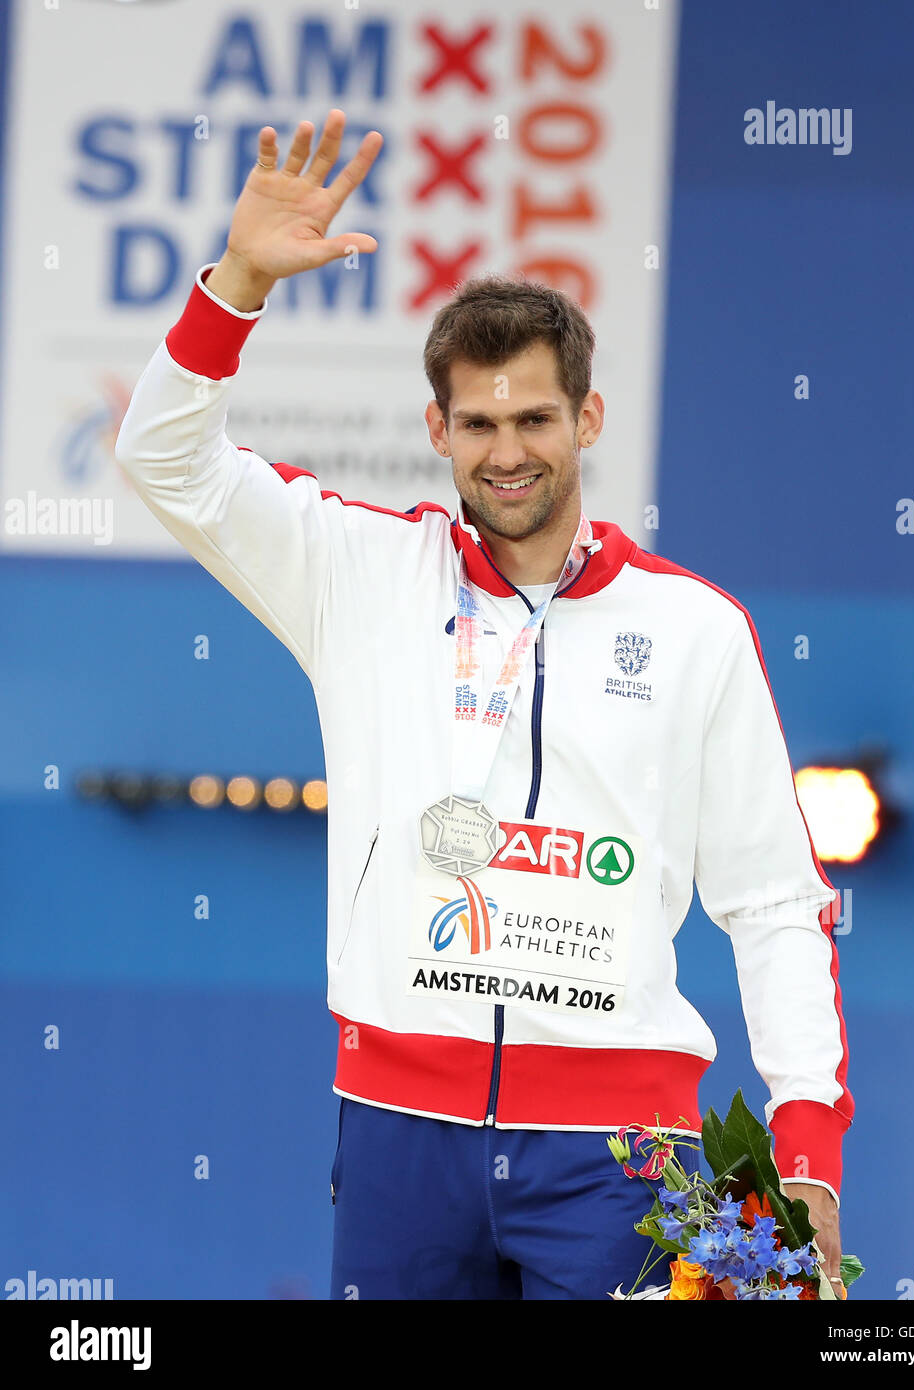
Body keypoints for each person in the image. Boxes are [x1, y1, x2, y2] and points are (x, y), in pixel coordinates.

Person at [115, 109, 853, 1301]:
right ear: (438, 430)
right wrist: (240, 278)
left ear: (587, 421)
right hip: (401, 1126)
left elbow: (773, 901)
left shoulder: (698, 628)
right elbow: (164, 458)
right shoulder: (358, 571)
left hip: (624, 1155)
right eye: (479, 424)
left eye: (535, 420)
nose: (507, 454)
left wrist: (807, 1143)